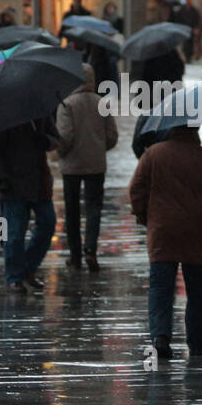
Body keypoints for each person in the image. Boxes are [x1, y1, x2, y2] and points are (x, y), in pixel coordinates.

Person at [130, 126, 202, 359]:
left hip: (162, 232)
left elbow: (136, 189)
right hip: (198, 233)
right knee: (198, 291)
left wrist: (142, 215)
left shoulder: (154, 154)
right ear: (196, 130)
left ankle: (160, 337)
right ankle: (197, 344)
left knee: (160, 288)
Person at [0, 117, 59, 295]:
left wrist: (46, 141)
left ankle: (27, 267)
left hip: (39, 183)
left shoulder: (41, 114)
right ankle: (14, 277)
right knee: (14, 234)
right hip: (13, 185)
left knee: (48, 223)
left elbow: (56, 139)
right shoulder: (5, 118)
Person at [56, 64, 118, 271]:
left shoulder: (67, 104)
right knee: (94, 208)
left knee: (72, 211)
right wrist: (99, 148)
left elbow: (64, 137)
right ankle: (90, 249)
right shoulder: (102, 103)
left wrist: (60, 152)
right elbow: (112, 136)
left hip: (71, 166)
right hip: (95, 164)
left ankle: (75, 255)